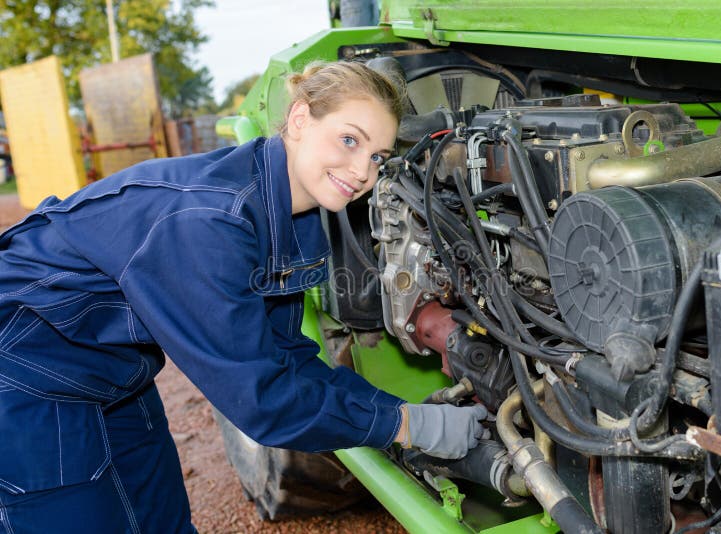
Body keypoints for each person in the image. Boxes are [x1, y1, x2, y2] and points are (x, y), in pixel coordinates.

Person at [0, 61, 488, 533]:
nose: (363, 171)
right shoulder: (209, 223)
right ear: (299, 119)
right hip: (25, 367)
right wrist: (406, 426)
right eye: (348, 139)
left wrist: (411, 414)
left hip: (108, 369)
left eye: (377, 156)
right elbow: (264, 400)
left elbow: (288, 360)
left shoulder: (292, 216)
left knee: (161, 521)